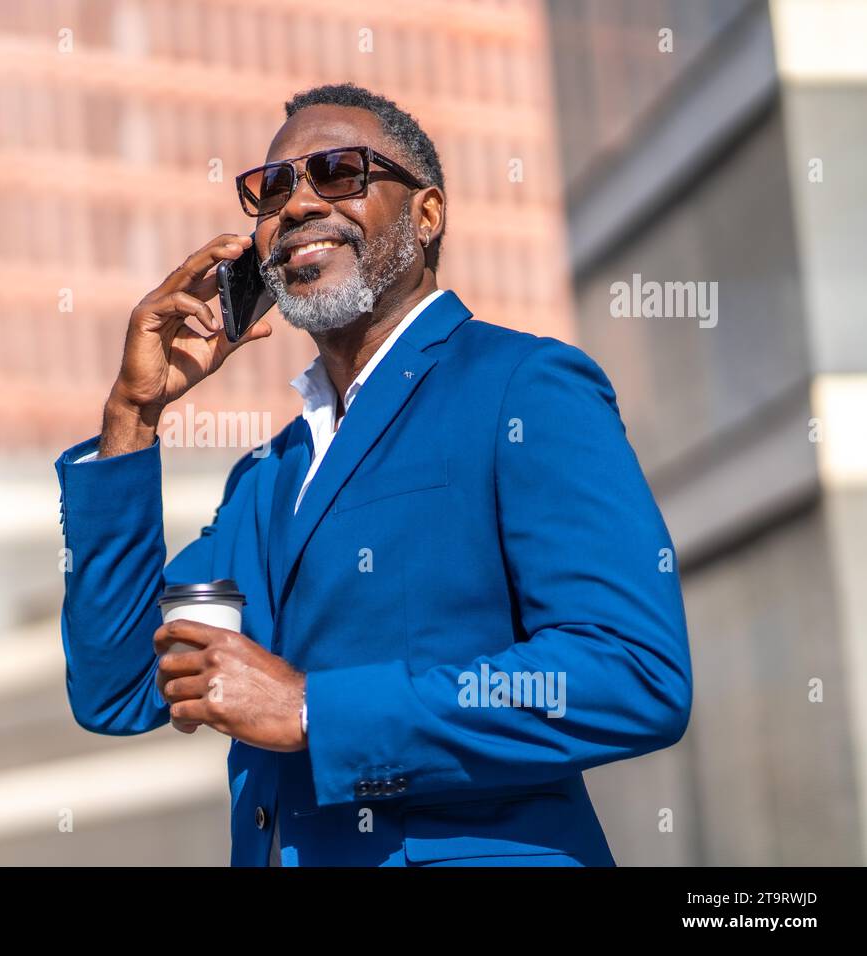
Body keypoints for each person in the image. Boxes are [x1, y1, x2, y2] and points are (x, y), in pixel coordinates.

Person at [53, 82, 692, 866]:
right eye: (274, 189)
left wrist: (317, 712)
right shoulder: (267, 475)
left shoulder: (523, 387)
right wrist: (132, 416)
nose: (296, 205)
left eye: (339, 172)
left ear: (426, 216)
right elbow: (118, 684)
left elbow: (631, 671)